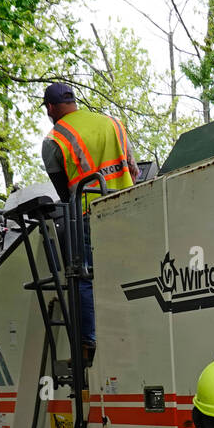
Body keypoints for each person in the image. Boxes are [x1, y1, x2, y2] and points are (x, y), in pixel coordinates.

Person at [39, 82, 138, 357]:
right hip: (129, 207)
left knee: (84, 275)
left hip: (89, 214)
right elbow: (133, 169)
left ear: (50, 108)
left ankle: (89, 341)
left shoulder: (55, 139)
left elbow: (63, 193)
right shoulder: (114, 123)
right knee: (129, 272)